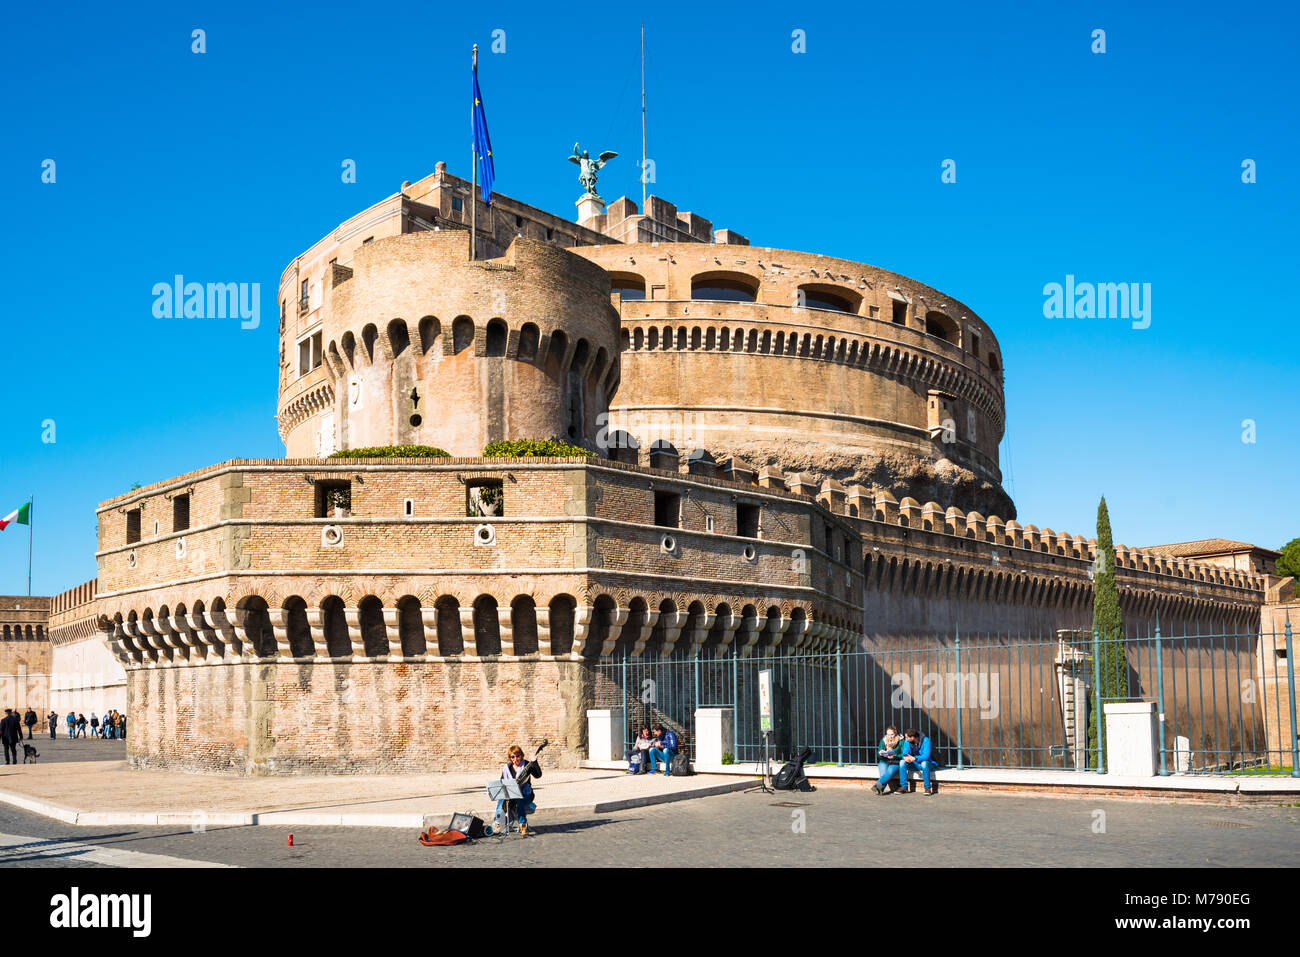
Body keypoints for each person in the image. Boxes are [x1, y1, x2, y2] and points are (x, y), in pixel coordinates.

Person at [499, 744, 539, 836]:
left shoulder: (526, 765)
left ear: (521, 755)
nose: (515, 759)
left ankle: (523, 825)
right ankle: (500, 824)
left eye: (518, 756)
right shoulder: (507, 768)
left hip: (525, 794)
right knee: (501, 800)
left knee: (519, 798)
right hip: (511, 793)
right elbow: (502, 781)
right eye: (513, 757)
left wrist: (534, 762)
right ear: (510, 757)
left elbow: (538, 775)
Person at [900, 728, 937, 795]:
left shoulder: (926, 740)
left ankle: (927, 788)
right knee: (902, 762)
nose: (906, 739)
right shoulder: (907, 742)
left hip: (928, 764)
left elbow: (926, 756)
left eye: (907, 737)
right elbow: (904, 753)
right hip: (915, 764)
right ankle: (904, 787)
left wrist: (914, 758)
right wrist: (906, 757)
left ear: (913, 737)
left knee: (924, 763)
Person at [870, 725, 906, 795]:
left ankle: (876, 786)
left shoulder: (901, 741)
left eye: (892, 734)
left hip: (895, 762)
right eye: (888, 734)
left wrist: (894, 756)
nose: (890, 736)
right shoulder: (883, 740)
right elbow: (879, 752)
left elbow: (903, 754)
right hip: (884, 761)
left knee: (889, 773)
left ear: (895, 733)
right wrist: (880, 754)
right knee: (883, 775)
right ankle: (880, 789)